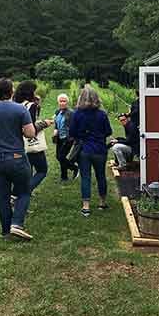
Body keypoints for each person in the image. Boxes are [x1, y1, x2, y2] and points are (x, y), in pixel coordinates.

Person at [0, 78, 36, 241]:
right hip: (16, 157)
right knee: (24, 191)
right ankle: (16, 224)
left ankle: (5, 231)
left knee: (2, 196)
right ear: (11, 92)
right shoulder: (20, 110)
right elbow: (30, 133)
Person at [69, 84, 112, 217]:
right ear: (96, 98)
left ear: (81, 98)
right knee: (101, 176)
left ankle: (86, 206)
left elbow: (72, 133)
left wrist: (82, 136)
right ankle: (102, 202)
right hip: (100, 149)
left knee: (85, 177)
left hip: (84, 150)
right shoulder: (102, 114)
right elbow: (108, 131)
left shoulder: (77, 114)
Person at [13, 80, 52, 193]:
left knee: (27, 170)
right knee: (42, 170)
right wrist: (45, 123)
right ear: (30, 92)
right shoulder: (31, 106)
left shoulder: (15, 104)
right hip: (31, 143)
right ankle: (22, 192)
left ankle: (19, 195)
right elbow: (31, 127)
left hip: (17, 143)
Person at [53, 93, 79, 182]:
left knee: (61, 157)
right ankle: (64, 177)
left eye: (64, 101)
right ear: (58, 102)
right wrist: (55, 130)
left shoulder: (71, 113)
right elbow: (56, 123)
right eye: (61, 101)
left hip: (68, 138)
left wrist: (72, 137)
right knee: (59, 157)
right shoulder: (57, 112)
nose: (62, 103)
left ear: (67, 102)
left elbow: (74, 126)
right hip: (59, 137)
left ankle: (75, 168)